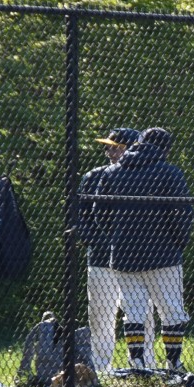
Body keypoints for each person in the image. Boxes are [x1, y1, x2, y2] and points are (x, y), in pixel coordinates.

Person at [102, 126, 193, 372]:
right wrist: (178, 243)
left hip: (124, 253)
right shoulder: (170, 173)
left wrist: (117, 235)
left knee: (133, 311)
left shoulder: (112, 172)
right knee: (172, 310)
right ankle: (173, 363)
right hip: (163, 254)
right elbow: (182, 214)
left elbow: (100, 213)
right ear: (166, 149)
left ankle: (137, 362)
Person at [79, 127, 139, 373]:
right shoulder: (94, 176)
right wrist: (98, 241)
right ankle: (102, 367)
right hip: (102, 257)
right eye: (108, 147)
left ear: (132, 149)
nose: (110, 152)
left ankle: (142, 364)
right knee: (101, 314)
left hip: (136, 259)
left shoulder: (144, 176)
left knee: (139, 313)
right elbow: (82, 217)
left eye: (117, 148)